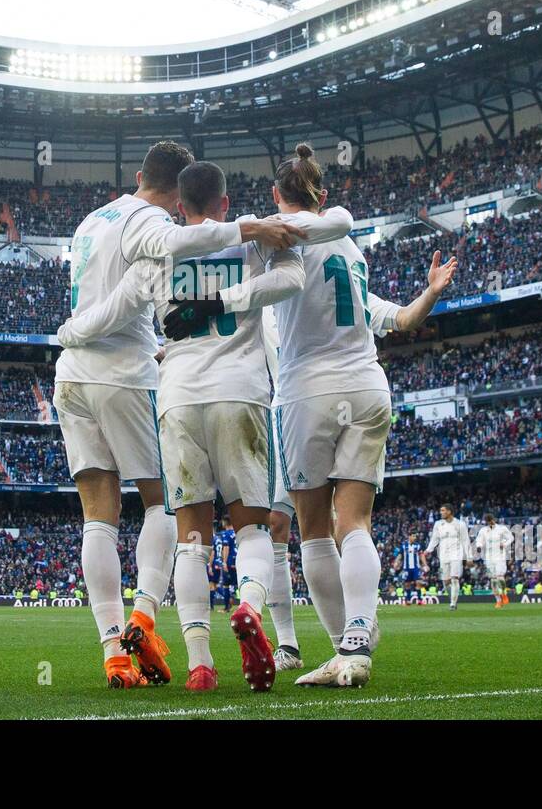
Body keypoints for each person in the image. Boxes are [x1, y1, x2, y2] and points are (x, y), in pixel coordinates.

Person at [59, 158, 351, 691]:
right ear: (222, 203)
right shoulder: (253, 241)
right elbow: (301, 266)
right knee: (253, 528)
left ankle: (200, 664)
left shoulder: (155, 259)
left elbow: (110, 314)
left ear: (180, 206)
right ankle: (249, 606)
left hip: (177, 399)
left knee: (191, 536)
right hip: (239, 394)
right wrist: (239, 286)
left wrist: (69, 331)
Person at [268, 144, 457, 687]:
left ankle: (343, 650)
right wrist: (430, 293)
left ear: (278, 197)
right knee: (355, 524)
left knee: (314, 531)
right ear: (323, 196)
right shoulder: (348, 249)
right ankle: (358, 635)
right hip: (368, 386)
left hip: (308, 393)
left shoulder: (280, 238)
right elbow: (397, 319)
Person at [426, 505, 471, 611]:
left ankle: (453, 603)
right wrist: (428, 550)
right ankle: (453, 599)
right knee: (445, 581)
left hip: (456, 555)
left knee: (454, 579)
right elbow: (434, 539)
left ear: (449, 511)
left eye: (443, 510)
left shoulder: (460, 524)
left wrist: (469, 557)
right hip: (443, 556)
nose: (441, 512)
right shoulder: (438, 524)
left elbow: (466, 541)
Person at [476, 513, 514, 608]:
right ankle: (498, 601)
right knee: (493, 580)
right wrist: (479, 546)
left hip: (500, 556)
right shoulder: (483, 530)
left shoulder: (502, 529)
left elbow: (511, 538)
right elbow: (479, 540)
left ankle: (504, 593)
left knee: (500, 577)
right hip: (489, 557)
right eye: (488, 522)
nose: (490, 523)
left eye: (491, 521)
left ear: (494, 519)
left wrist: (504, 544)